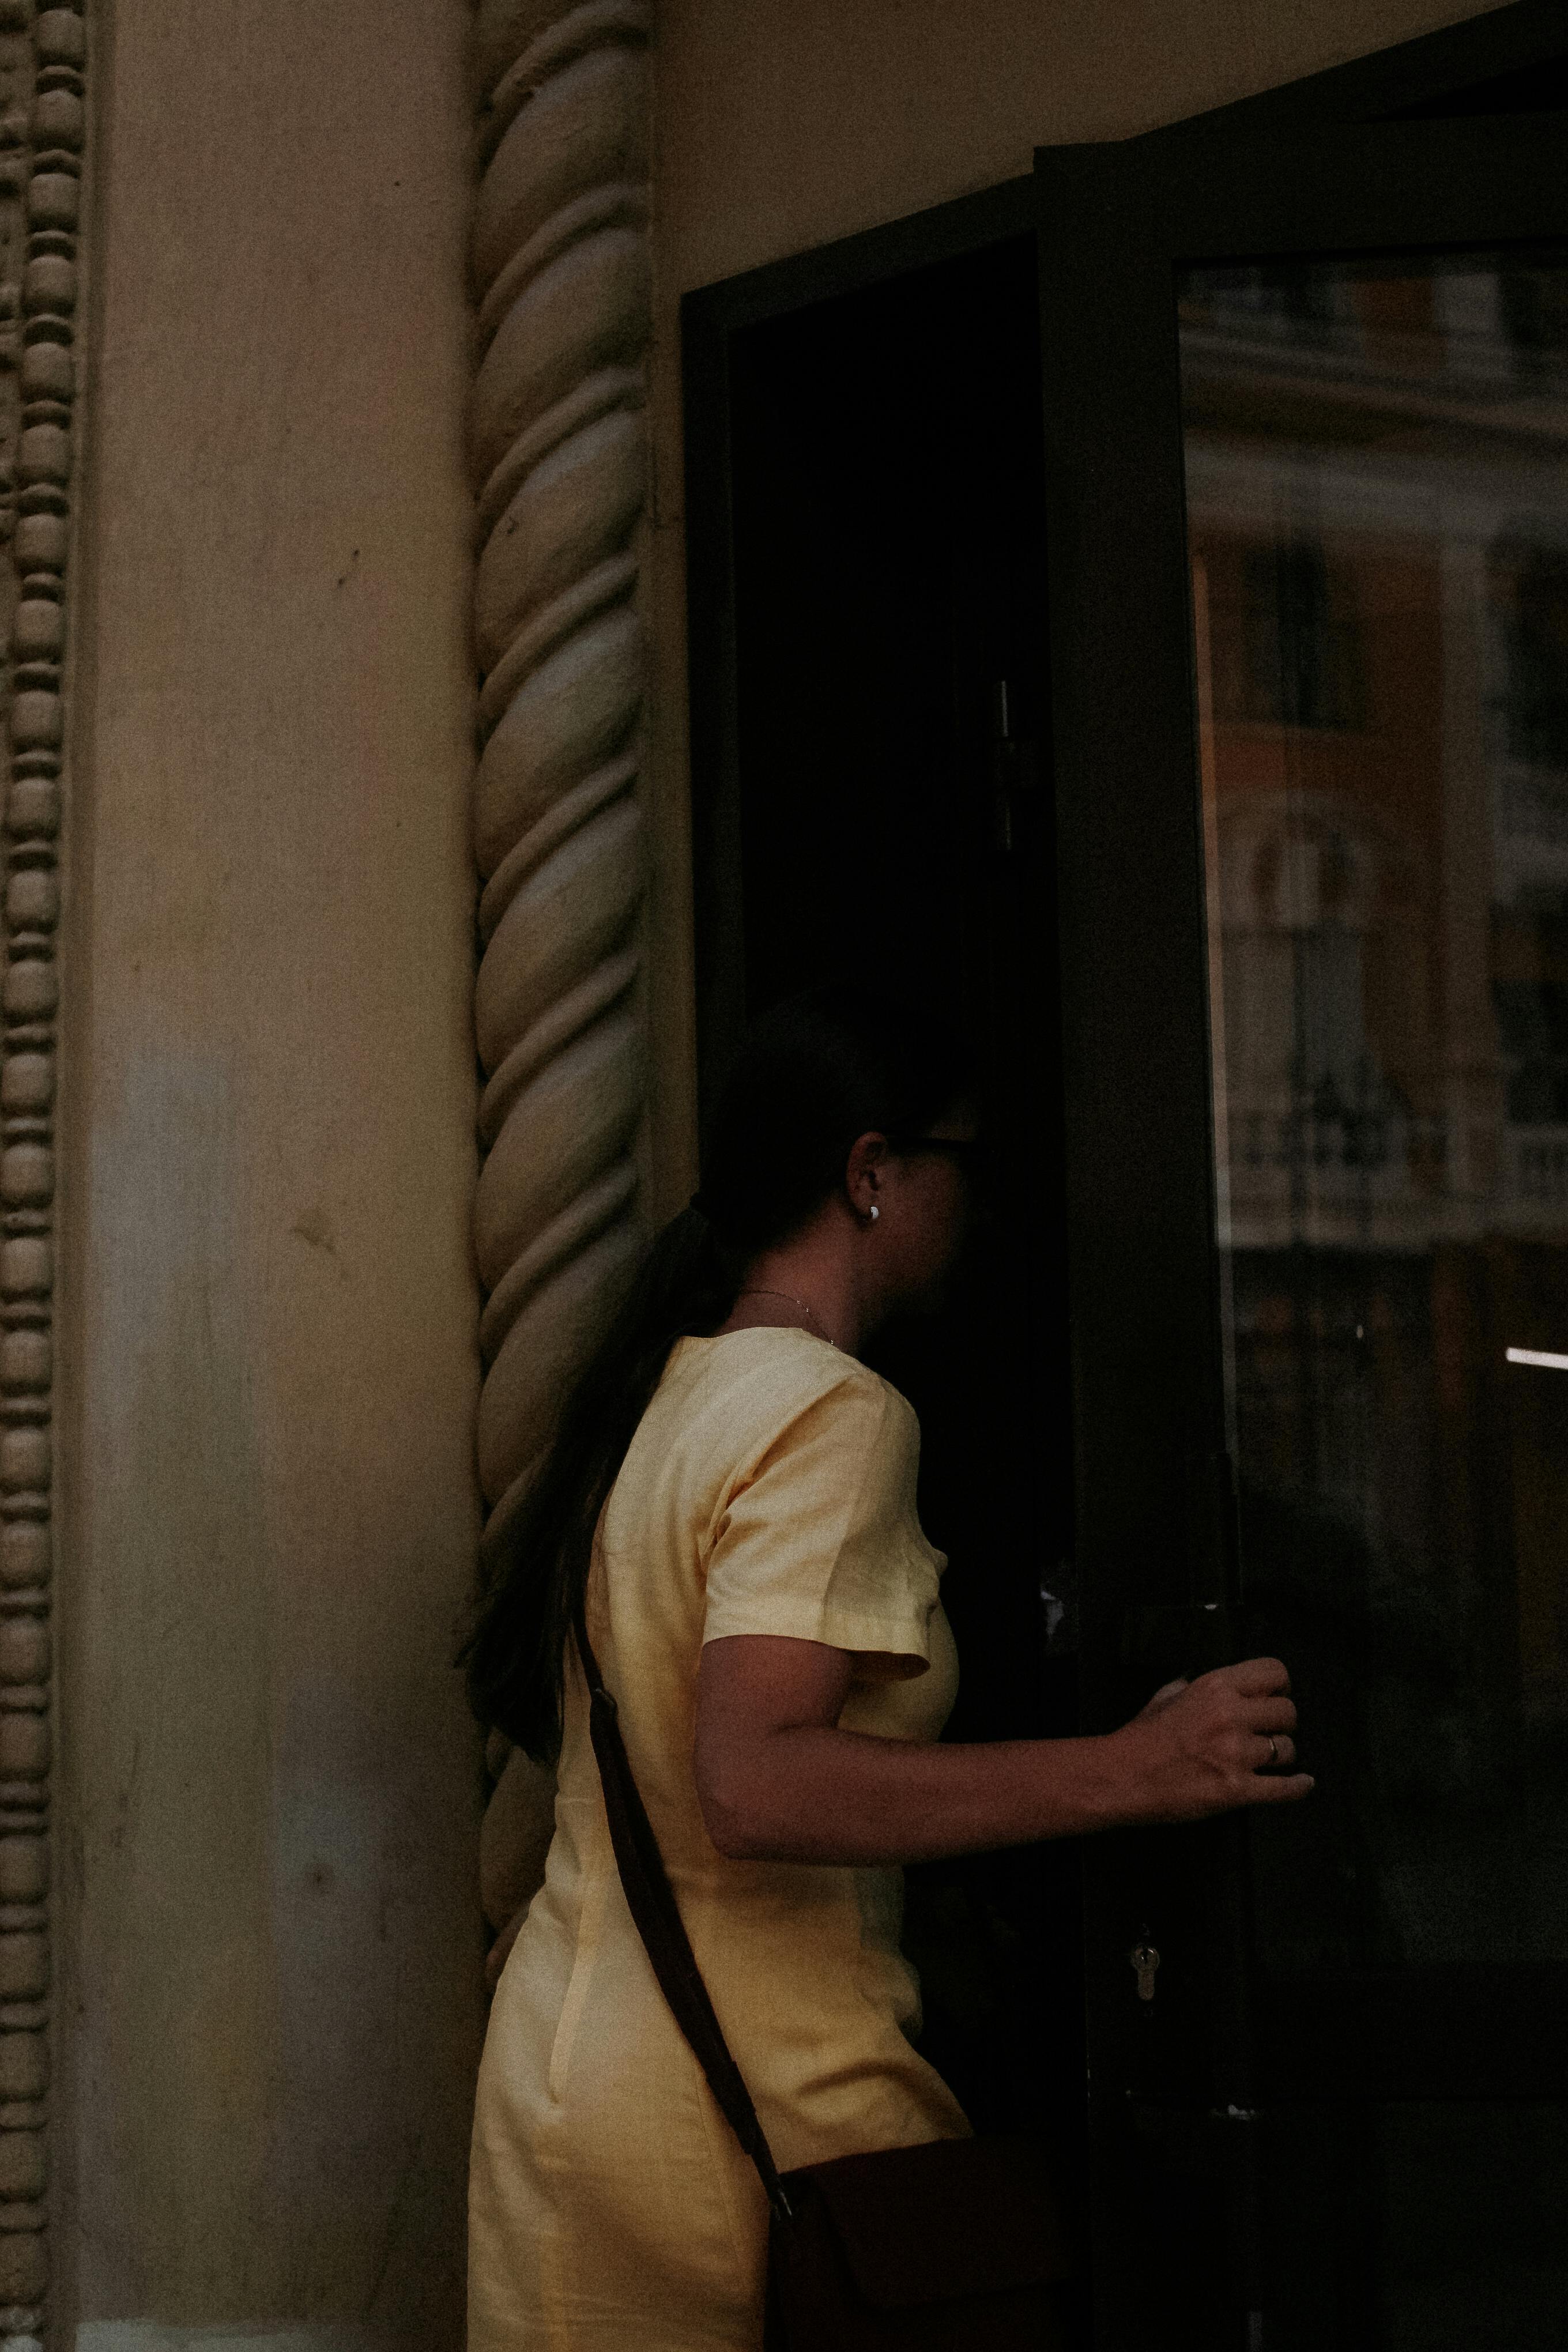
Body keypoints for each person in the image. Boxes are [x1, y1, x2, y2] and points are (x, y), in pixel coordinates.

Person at [462, 985, 1311, 2351]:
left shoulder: (677, 1394)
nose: (976, 1207)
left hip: (575, 2091)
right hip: (753, 2121)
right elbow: (757, 1782)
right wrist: (1136, 1771)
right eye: (961, 1161)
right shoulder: (831, 1413)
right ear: (872, 1173)